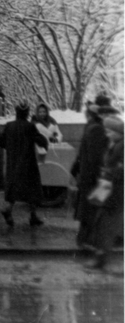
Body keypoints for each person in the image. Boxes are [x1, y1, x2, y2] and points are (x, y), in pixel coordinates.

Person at [0, 102, 48, 227]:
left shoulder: (9, 126)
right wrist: (45, 142)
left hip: (13, 162)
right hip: (28, 163)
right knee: (32, 190)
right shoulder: (30, 126)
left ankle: (8, 210)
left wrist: (10, 148)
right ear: (27, 113)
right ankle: (33, 216)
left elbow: (0, 141)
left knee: (13, 189)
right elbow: (40, 140)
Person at [85, 117, 124, 269]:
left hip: (116, 191)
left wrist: (109, 173)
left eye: (109, 131)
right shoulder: (115, 144)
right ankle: (100, 256)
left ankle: (101, 258)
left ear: (117, 132)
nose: (107, 134)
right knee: (103, 223)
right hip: (109, 190)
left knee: (107, 226)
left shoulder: (122, 146)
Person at [71, 101, 110, 249]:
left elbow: (82, 152)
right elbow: (95, 156)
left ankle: (84, 240)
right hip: (92, 176)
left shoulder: (89, 127)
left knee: (88, 209)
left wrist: (75, 169)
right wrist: (99, 175)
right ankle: (85, 241)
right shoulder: (98, 129)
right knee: (92, 209)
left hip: (86, 175)